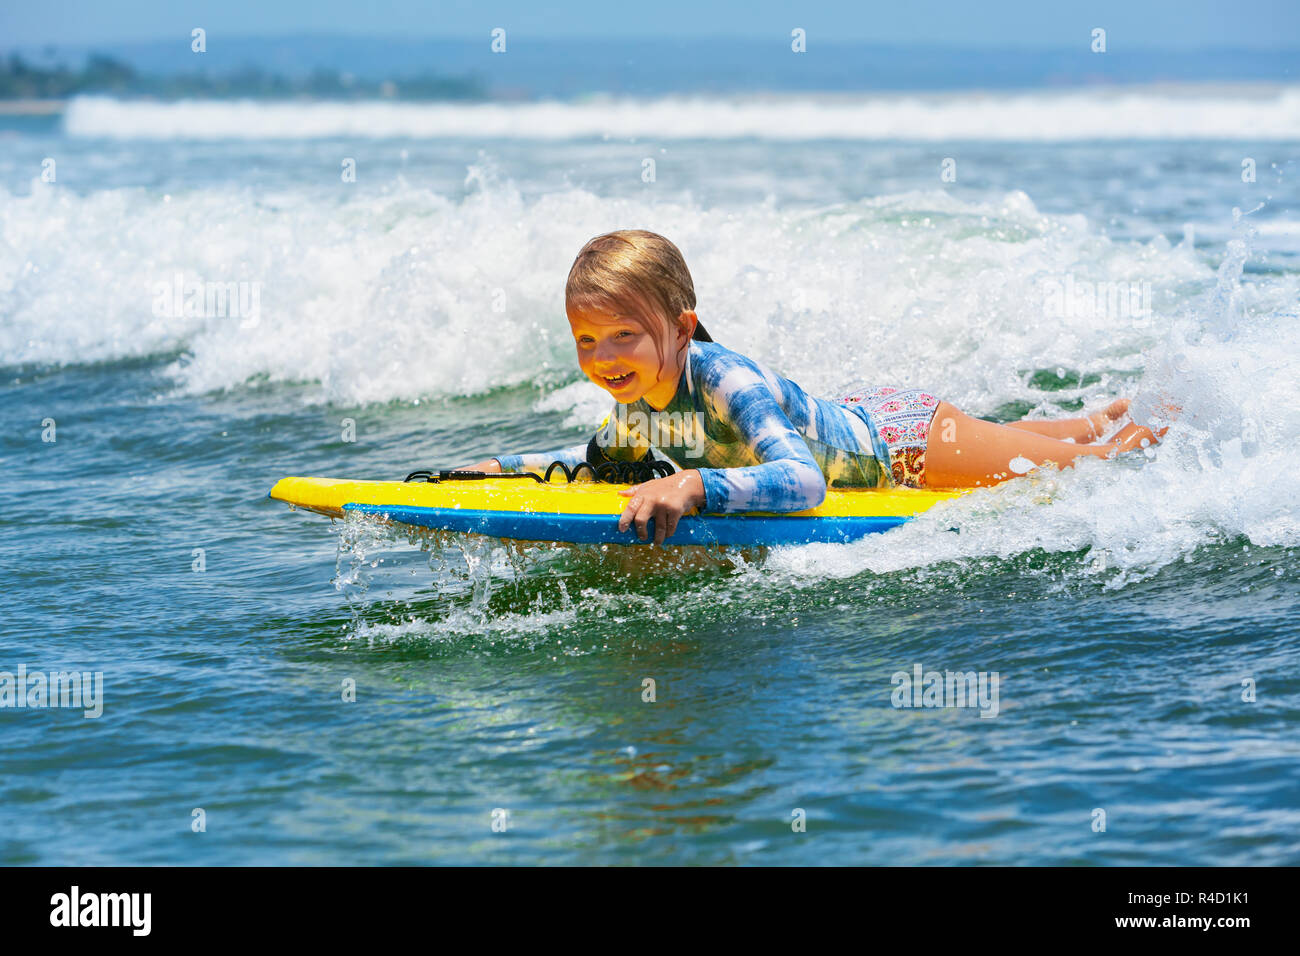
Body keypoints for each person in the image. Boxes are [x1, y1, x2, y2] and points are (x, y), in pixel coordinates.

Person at [458, 230, 1162, 545]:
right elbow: (605, 459)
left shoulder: (726, 380)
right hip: (870, 421)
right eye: (586, 340)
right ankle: (1097, 415)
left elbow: (803, 482)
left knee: (1089, 467)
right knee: (1037, 441)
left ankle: (1158, 429)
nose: (603, 358)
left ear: (680, 328)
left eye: (622, 336)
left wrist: (694, 487)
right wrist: (505, 469)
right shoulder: (639, 396)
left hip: (908, 445)